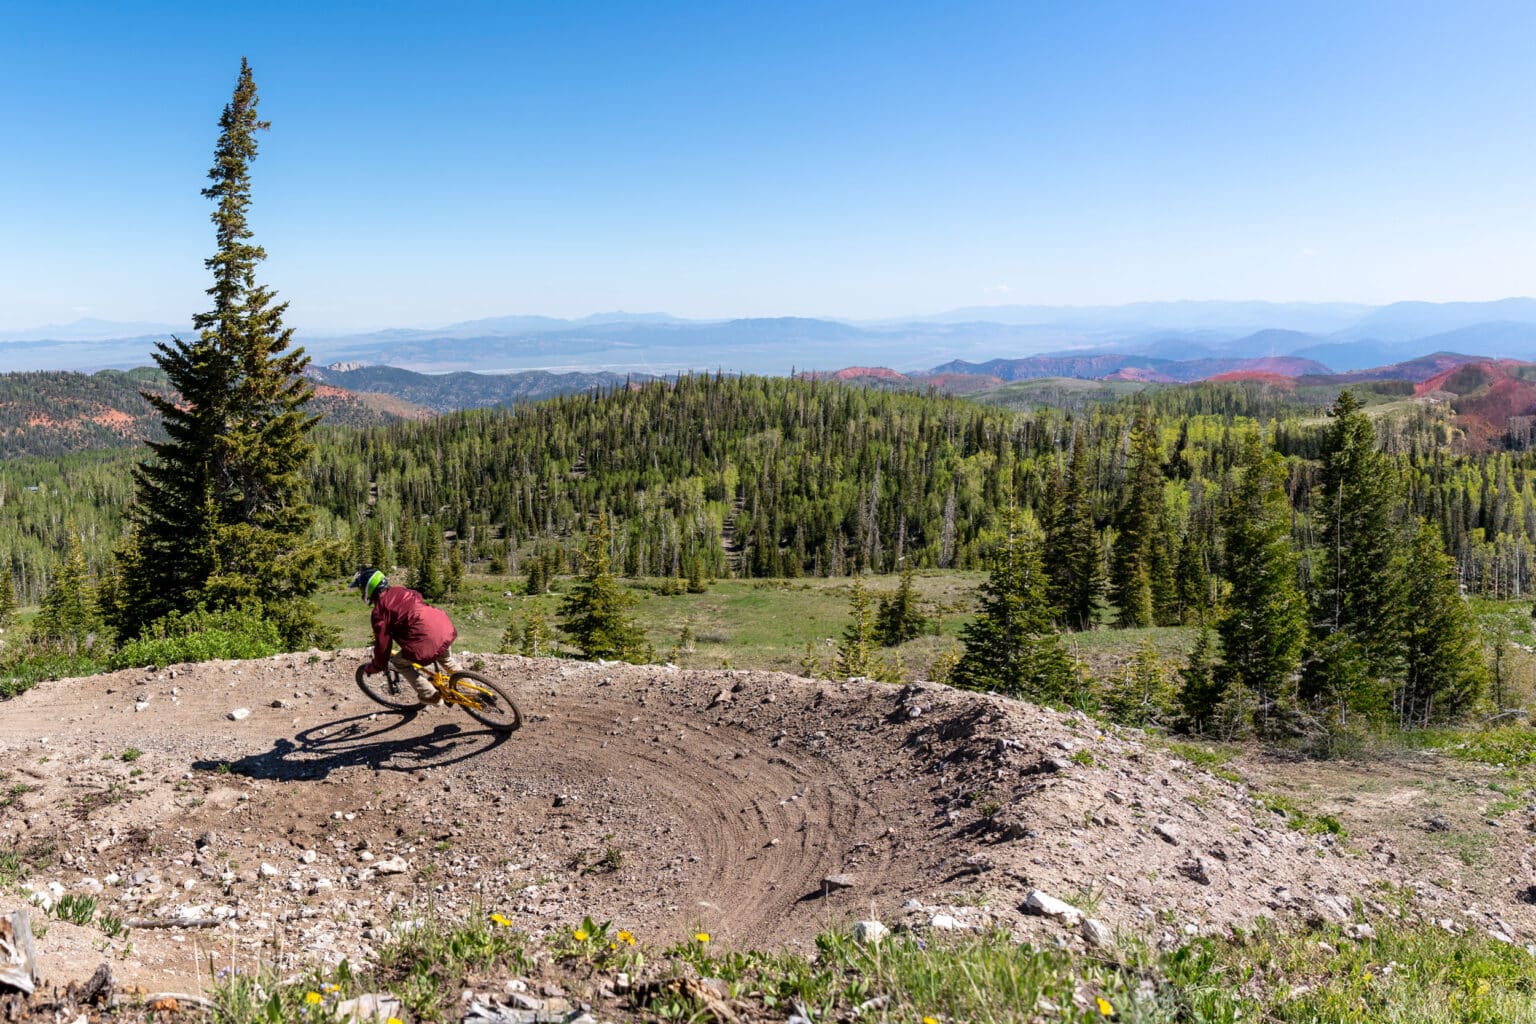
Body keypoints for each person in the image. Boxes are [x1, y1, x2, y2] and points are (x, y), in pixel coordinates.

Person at [350, 566, 460, 705]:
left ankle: (430, 695)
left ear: (368, 589)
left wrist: (377, 666)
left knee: (399, 663)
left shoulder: (379, 612)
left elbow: (383, 646)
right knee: (447, 660)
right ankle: (474, 691)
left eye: (361, 589)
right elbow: (417, 596)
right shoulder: (400, 589)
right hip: (443, 627)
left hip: (425, 640)